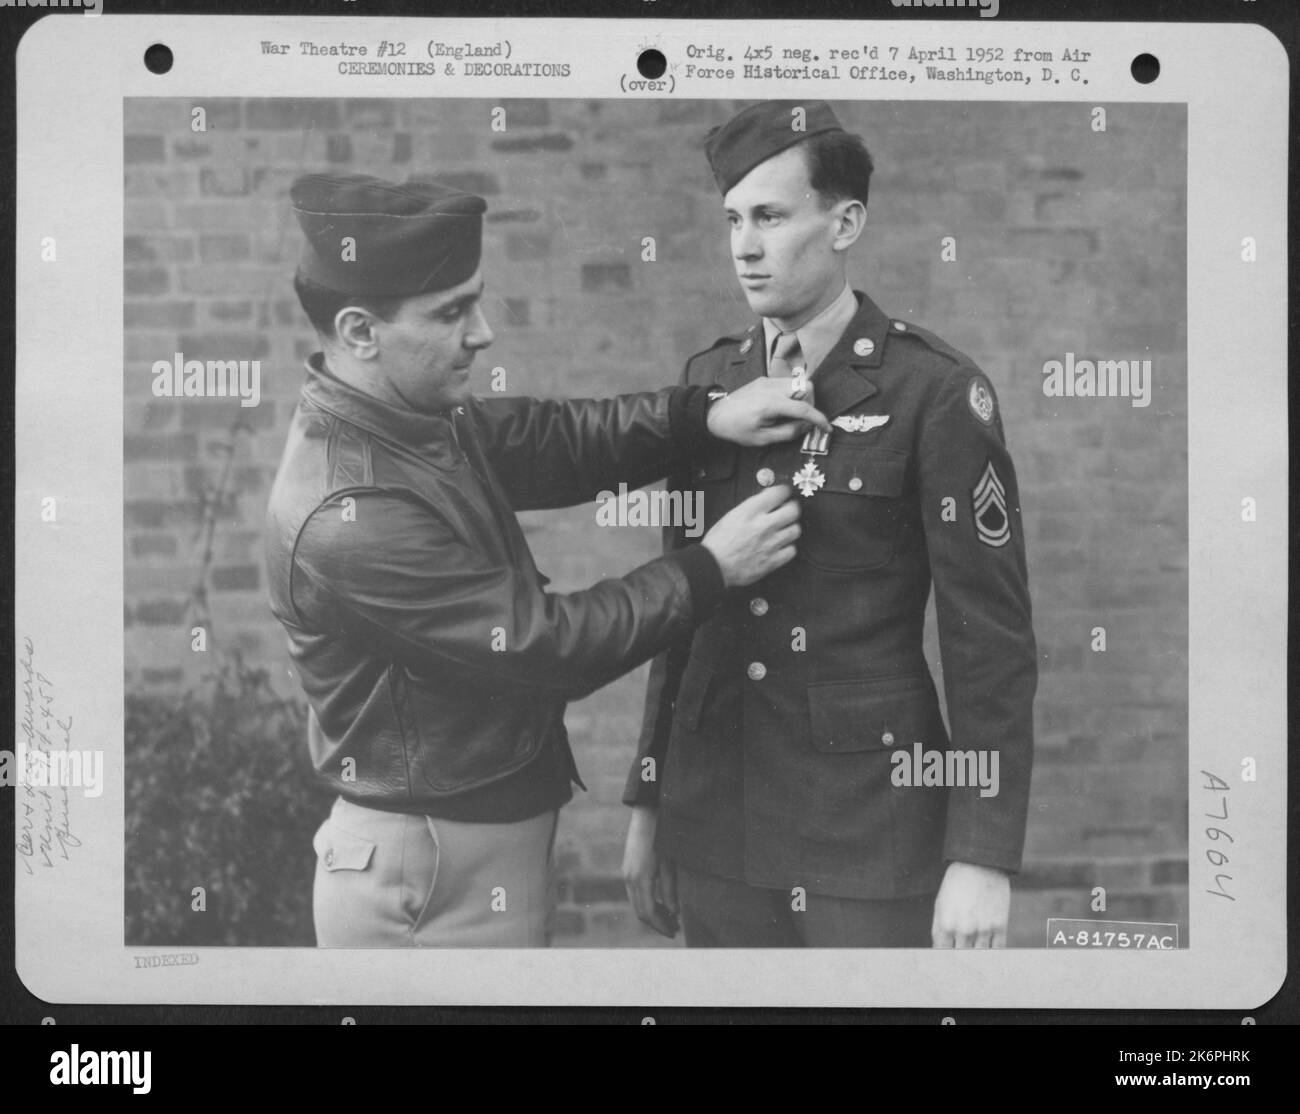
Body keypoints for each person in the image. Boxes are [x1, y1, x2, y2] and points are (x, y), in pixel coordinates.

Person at [264, 172, 826, 947]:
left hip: (465, 849)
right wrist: (711, 568)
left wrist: (704, 415)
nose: (482, 331)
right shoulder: (349, 514)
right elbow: (541, 645)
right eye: (452, 311)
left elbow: (552, 440)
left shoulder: (408, 420)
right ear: (361, 331)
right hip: (427, 871)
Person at [622, 101, 1038, 948]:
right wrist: (651, 799)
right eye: (733, 220)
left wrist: (983, 852)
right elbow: (681, 614)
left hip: (867, 826)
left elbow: (987, 642)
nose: (745, 245)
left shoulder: (934, 391)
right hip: (717, 817)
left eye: (771, 217)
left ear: (845, 222)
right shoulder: (711, 384)